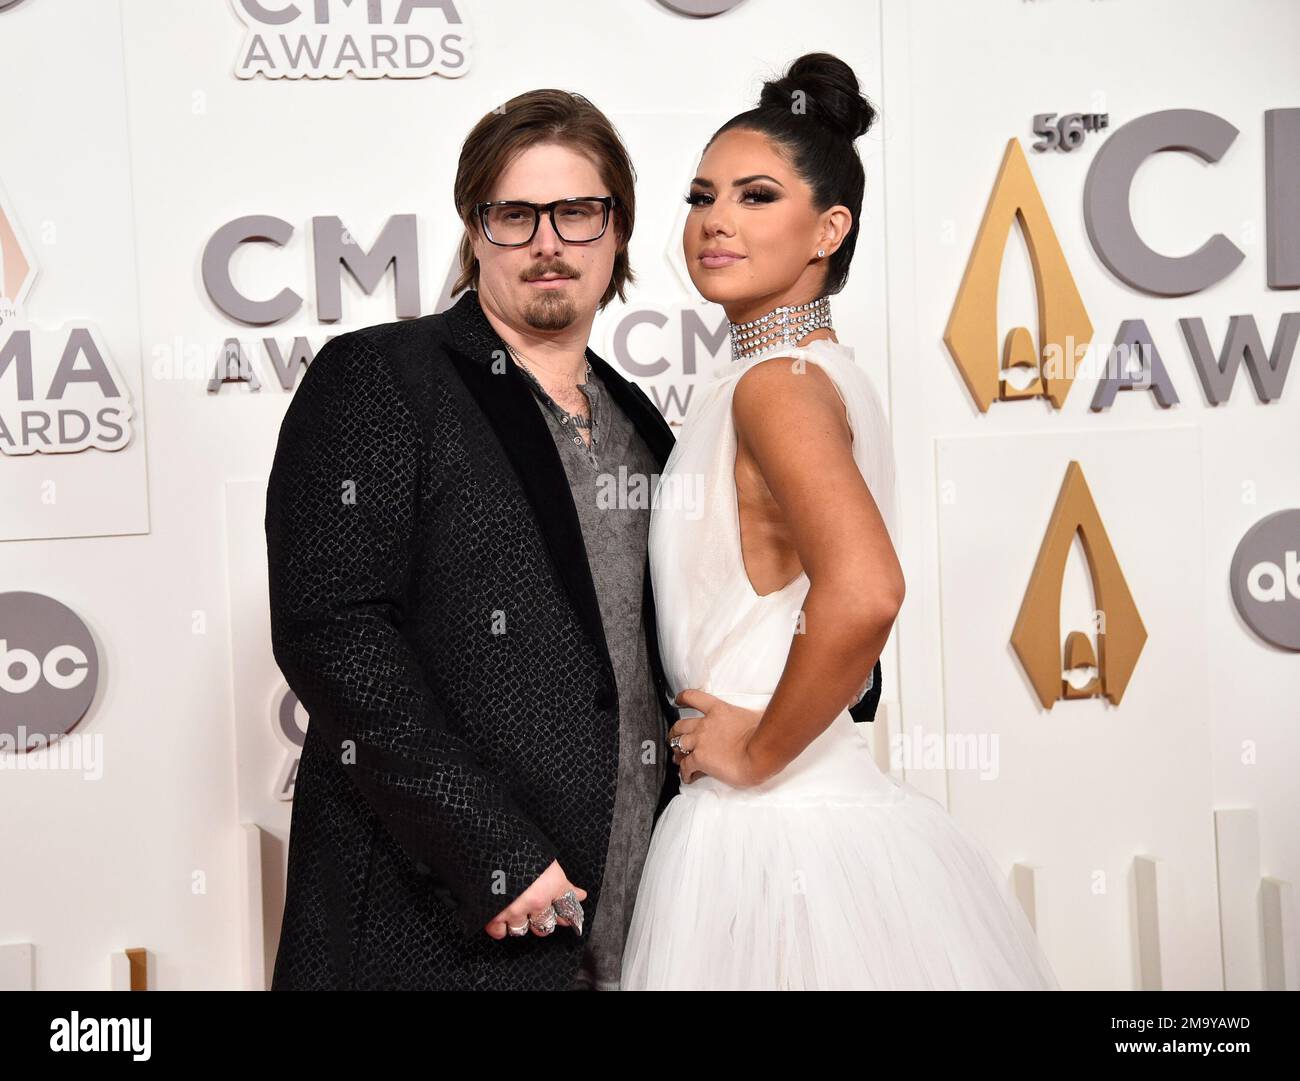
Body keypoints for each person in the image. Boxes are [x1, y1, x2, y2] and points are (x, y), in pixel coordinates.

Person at [619, 53, 1061, 990]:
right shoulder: (802, 376)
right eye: (703, 196)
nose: (715, 221)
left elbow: (867, 591)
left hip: (775, 836)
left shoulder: (780, 388)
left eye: (756, 196)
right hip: (803, 826)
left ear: (830, 229)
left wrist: (756, 747)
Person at [264, 89, 681, 990]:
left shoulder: (644, 424)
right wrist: (487, 846)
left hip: (630, 907)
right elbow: (331, 630)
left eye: (578, 211)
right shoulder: (381, 376)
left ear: (617, 232)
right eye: (514, 214)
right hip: (444, 918)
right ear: (474, 228)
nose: (548, 241)